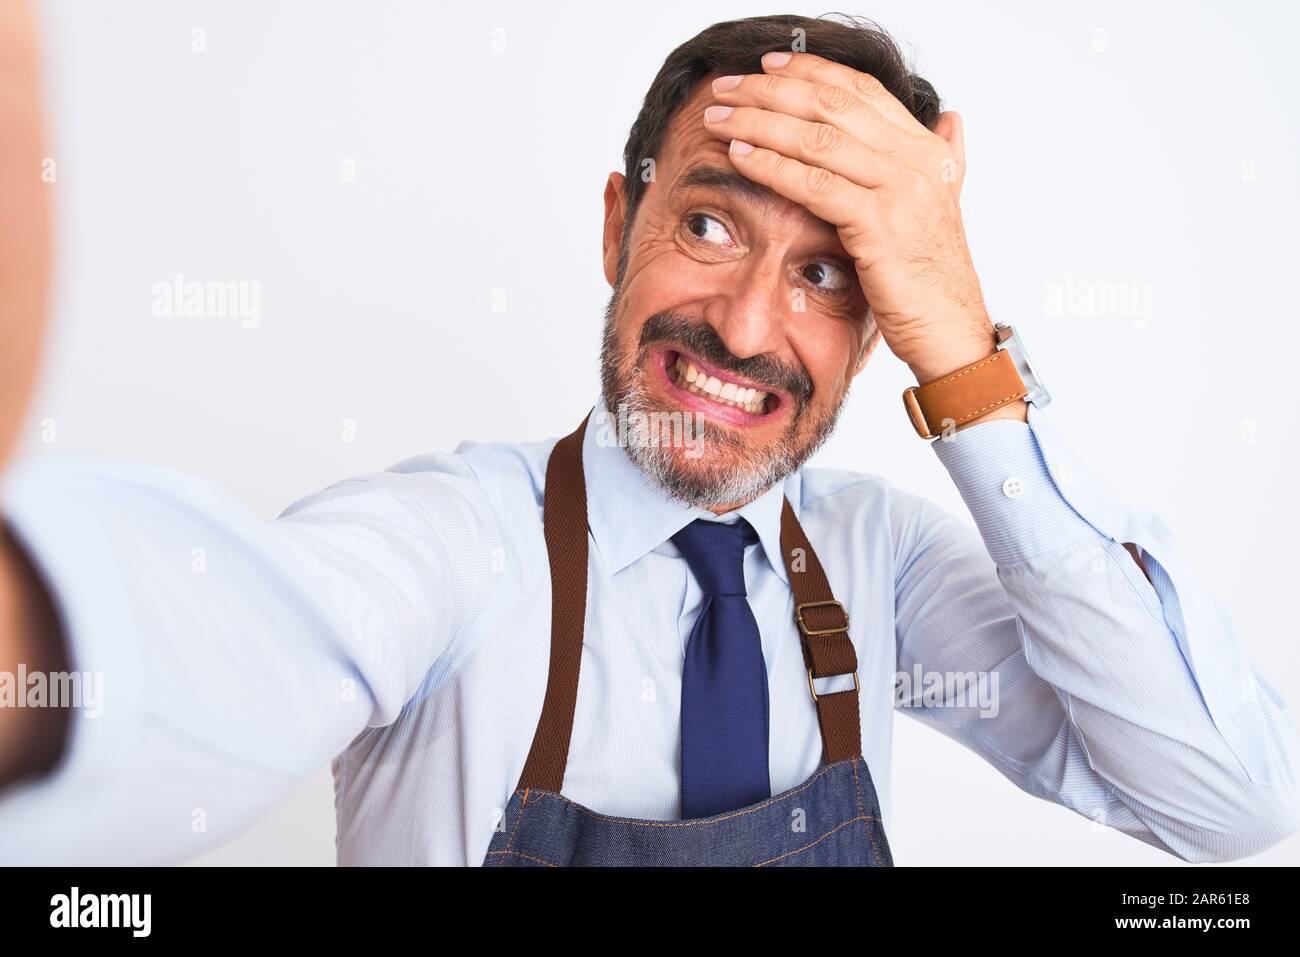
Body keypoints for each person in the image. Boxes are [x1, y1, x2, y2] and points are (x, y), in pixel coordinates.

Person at [1, 11, 1297, 866]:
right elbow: (219, 650)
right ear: (621, 226)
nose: (745, 325)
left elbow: (1222, 802)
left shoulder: (884, 568)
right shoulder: (459, 544)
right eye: (712, 227)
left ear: (881, 326)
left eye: (829, 274)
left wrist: (967, 359)